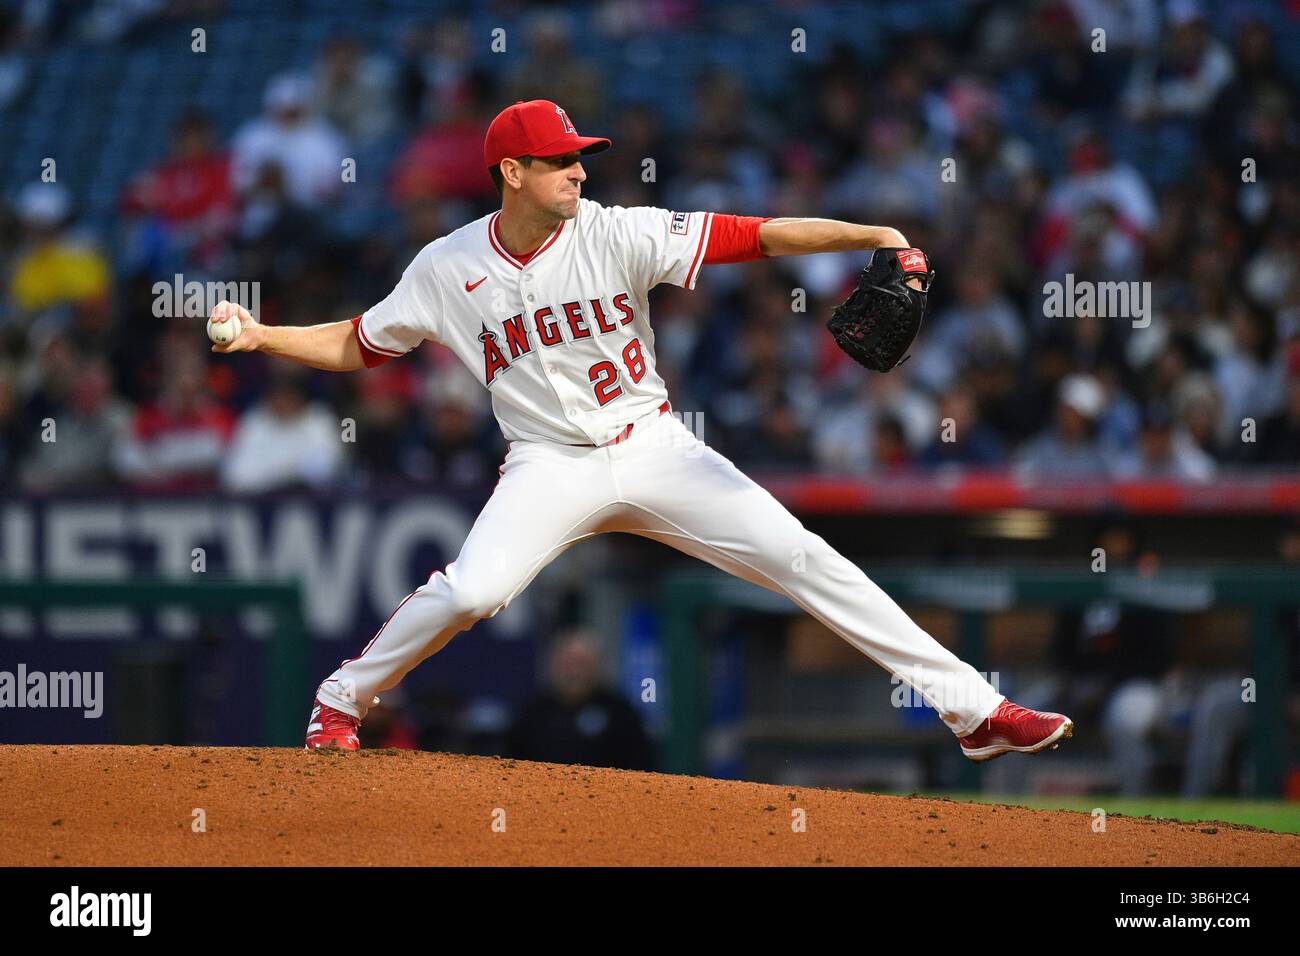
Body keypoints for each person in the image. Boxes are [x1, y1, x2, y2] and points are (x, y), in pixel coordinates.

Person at [208, 99, 1073, 761]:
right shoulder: (446, 266)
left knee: (805, 558)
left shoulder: (618, 231)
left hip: (655, 447)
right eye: (562, 162)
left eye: (583, 159)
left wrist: (874, 232)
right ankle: (340, 701)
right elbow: (360, 342)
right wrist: (260, 335)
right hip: (548, 464)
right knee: (474, 592)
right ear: (511, 172)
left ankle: (974, 711)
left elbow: (758, 237)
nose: (581, 172)